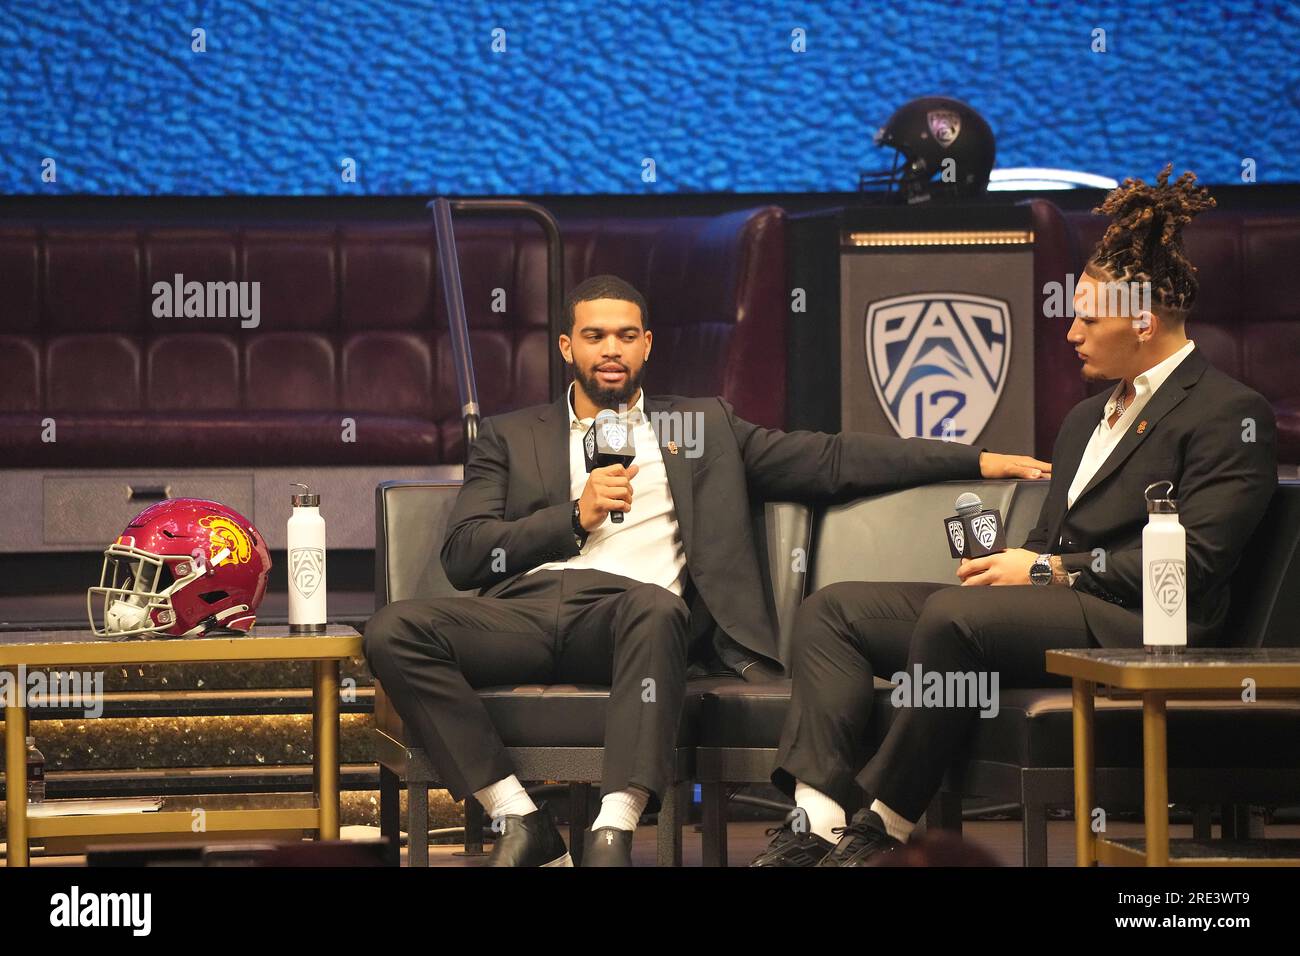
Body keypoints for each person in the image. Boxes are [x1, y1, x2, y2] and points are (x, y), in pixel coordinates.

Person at [363, 273, 1049, 866]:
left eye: (627, 335)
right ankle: (520, 817)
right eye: (595, 336)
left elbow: (832, 460)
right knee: (393, 630)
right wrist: (573, 517)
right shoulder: (511, 437)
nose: (611, 349)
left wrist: (976, 460)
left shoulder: (702, 428)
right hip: (525, 614)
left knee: (659, 606)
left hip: (636, 623)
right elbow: (466, 553)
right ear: (568, 347)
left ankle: (613, 829)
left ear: (648, 346)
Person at [755, 166, 1278, 867]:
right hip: (1062, 605)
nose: (1072, 333)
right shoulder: (1088, 416)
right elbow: (1049, 540)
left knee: (956, 619)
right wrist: (1017, 567)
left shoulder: (1227, 413)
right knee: (834, 611)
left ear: (1144, 320)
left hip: (1148, 623)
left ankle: (881, 824)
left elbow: (1198, 561)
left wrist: (1045, 569)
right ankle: (816, 821)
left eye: (1089, 317)